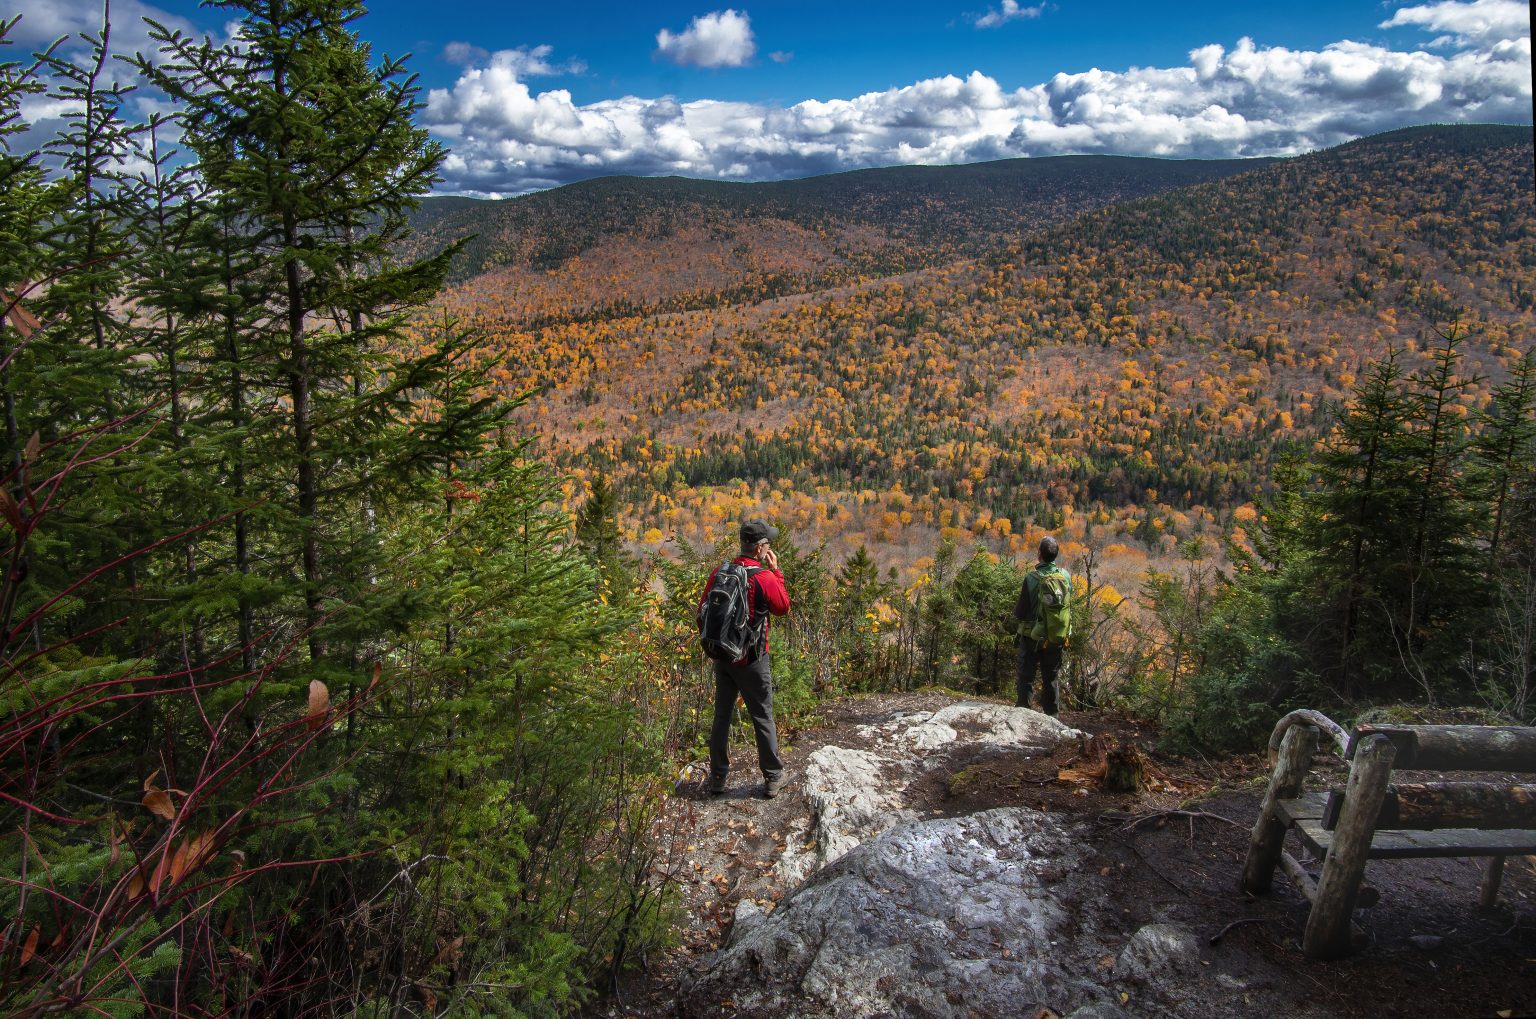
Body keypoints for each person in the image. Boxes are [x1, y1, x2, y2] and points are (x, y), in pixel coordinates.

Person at [700, 519, 792, 798]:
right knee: (762, 716)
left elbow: (703, 609)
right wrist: (777, 573)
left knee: (721, 716)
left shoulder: (721, 571)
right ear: (761, 548)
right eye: (768, 544)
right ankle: (773, 777)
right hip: (752, 659)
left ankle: (718, 777)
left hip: (723, 656)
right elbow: (782, 607)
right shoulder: (763, 577)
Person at [1014, 535, 1071, 716]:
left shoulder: (1032, 578)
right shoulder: (1065, 576)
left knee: (1026, 676)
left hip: (1033, 636)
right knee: (1051, 677)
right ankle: (1052, 717)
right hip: (1057, 634)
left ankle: (1023, 713)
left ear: (1039, 554)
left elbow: (1021, 611)